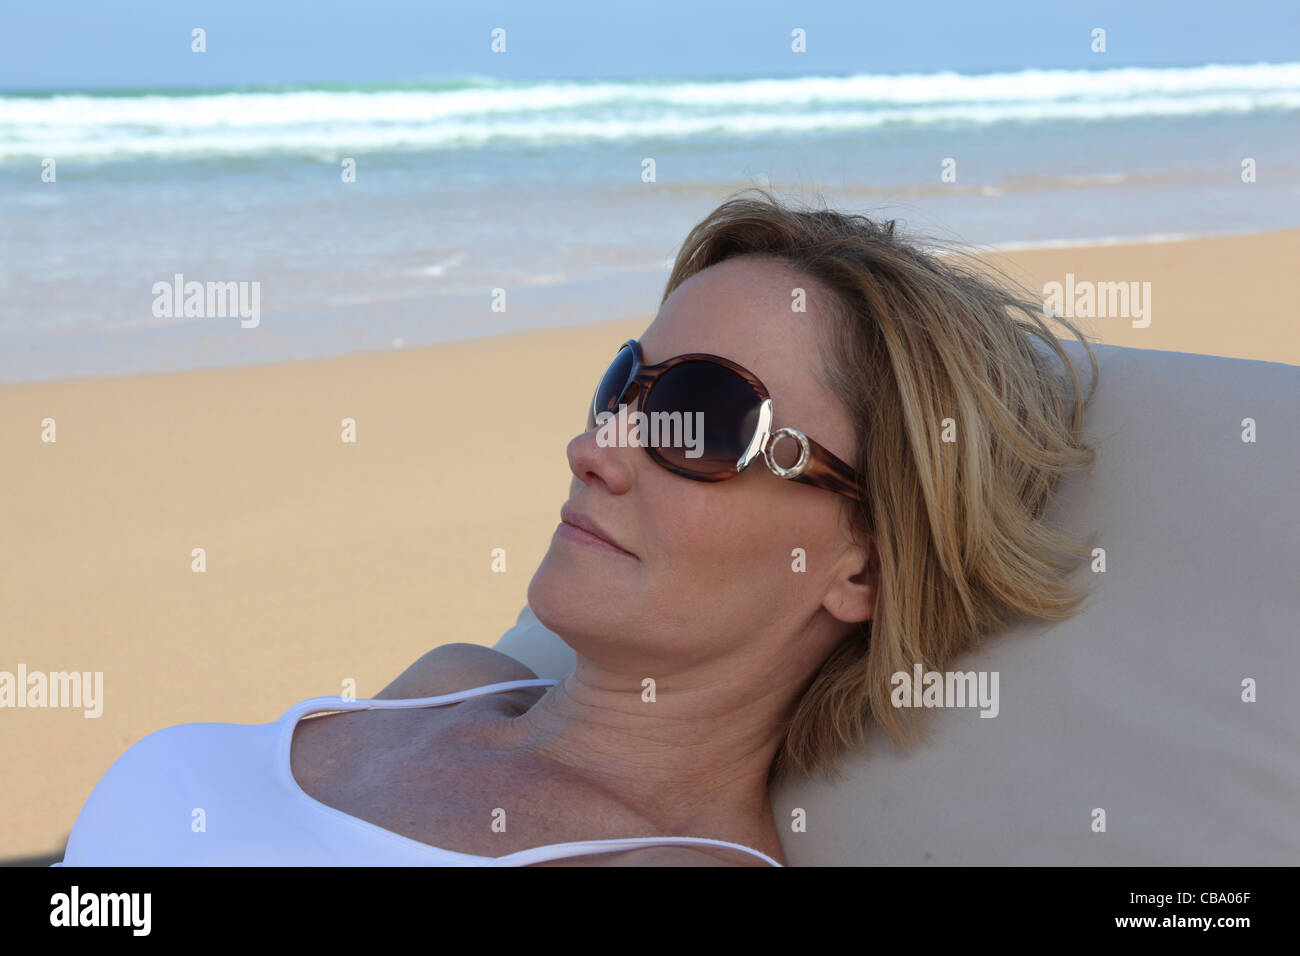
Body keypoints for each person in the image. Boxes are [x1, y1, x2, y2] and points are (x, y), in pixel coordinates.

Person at [58, 188, 1098, 866]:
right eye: (622, 384)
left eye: (699, 416)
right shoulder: (448, 677)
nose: (597, 444)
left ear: (862, 565)